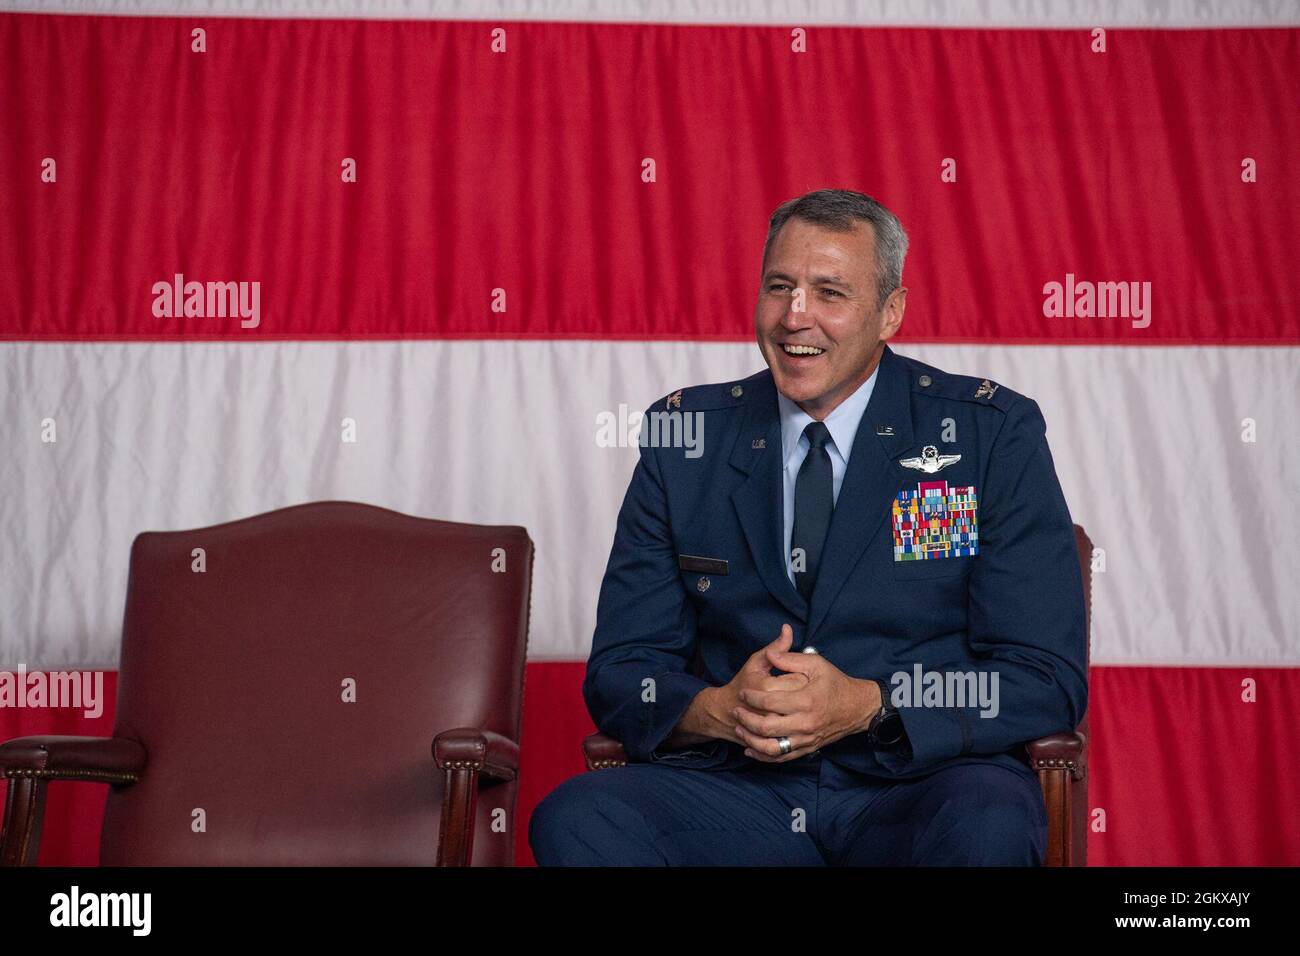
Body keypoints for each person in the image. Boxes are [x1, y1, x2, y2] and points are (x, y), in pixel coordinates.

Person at [529, 188, 1088, 865]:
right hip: (739, 792)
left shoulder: (990, 434)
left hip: (919, 786)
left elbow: (1042, 677)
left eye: (830, 293)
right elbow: (623, 671)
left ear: (890, 314)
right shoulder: (688, 439)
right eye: (779, 287)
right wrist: (721, 708)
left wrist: (872, 704)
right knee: (579, 819)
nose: (797, 317)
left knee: (990, 823)